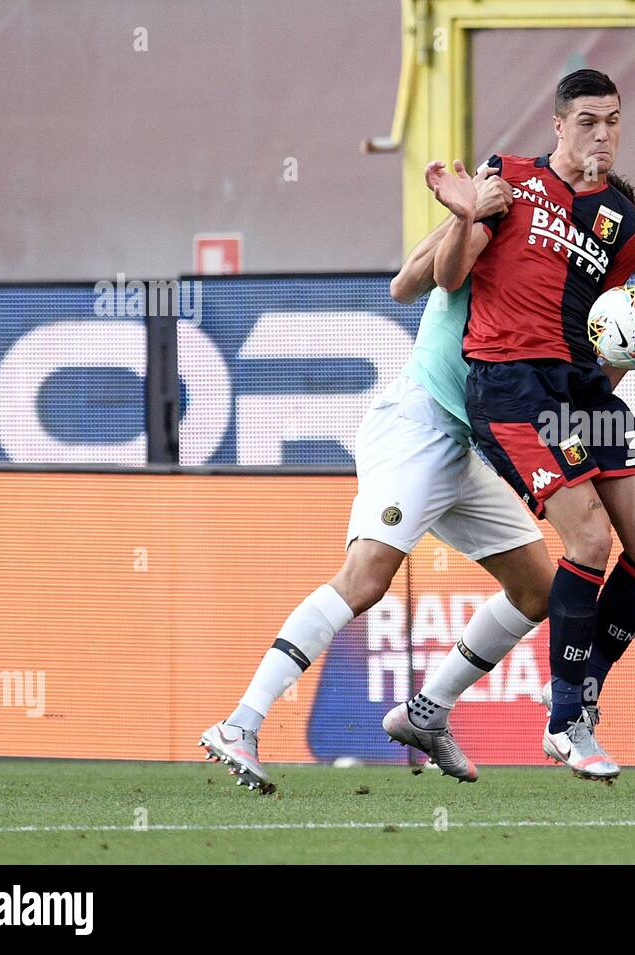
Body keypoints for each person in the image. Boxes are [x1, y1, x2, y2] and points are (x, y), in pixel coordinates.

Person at [199, 166, 552, 791]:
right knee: (365, 580)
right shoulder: (500, 223)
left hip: (460, 445)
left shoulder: (542, 257)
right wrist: (467, 215)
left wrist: (460, 213)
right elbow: (414, 283)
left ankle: (429, 711)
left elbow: (400, 285)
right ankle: (240, 723)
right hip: (418, 427)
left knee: (537, 588)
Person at [428, 69, 635, 781]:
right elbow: (450, 278)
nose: (603, 133)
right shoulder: (507, 176)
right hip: (509, 383)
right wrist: (467, 212)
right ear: (560, 124)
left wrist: (628, 351)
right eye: (590, 120)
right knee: (591, 536)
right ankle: (566, 721)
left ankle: (578, 685)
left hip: (581, 388)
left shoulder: (626, 228)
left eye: (615, 121)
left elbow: (605, 329)